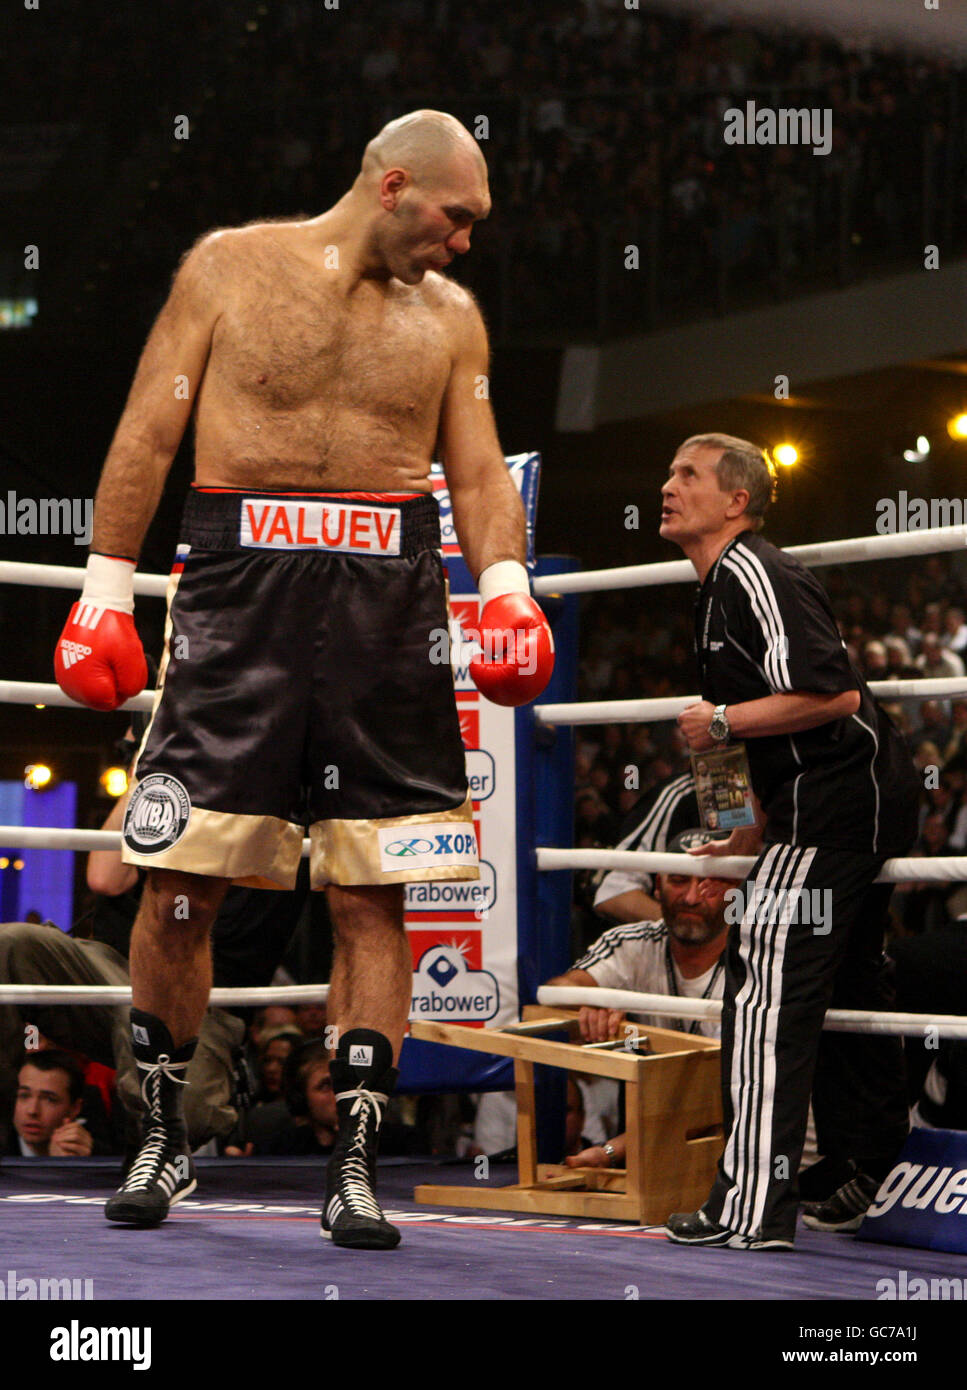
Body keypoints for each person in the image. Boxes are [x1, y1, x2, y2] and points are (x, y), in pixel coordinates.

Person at [53, 110, 554, 1249]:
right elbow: (147, 432)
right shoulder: (229, 268)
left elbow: (474, 471)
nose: (465, 243)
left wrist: (511, 583)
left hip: (387, 605)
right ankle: (162, 1133)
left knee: (373, 894)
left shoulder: (453, 323)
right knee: (180, 881)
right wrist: (102, 590)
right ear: (390, 186)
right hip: (238, 597)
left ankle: (357, 1163)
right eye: (456, 216)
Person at [659, 432, 917, 1250]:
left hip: (840, 806)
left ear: (735, 500)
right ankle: (857, 1170)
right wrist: (738, 835)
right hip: (817, 808)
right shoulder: (712, 592)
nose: (666, 486)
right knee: (832, 994)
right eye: (668, 473)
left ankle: (752, 1208)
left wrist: (723, 720)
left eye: (686, 475)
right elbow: (729, 745)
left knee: (763, 994)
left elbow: (833, 696)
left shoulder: (756, 571)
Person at [9, 1052, 94, 1157]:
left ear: (74, 1108)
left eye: (49, 1099)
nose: (32, 1111)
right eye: (24, 1096)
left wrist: (71, 1166)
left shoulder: (98, 1154)